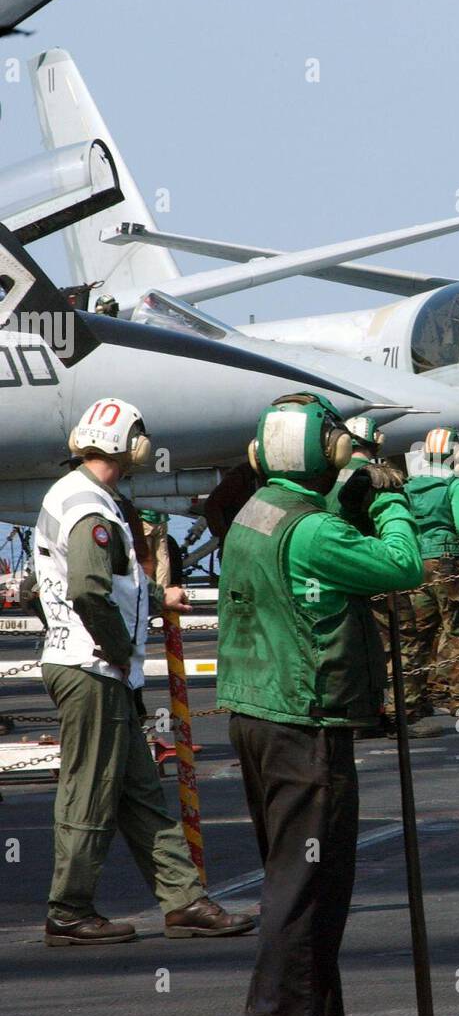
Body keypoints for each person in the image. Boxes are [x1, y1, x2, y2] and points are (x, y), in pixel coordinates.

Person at [216, 392, 423, 1016]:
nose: (345, 446)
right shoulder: (313, 532)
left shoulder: (259, 511)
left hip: (259, 717)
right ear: (319, 448)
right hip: (304, 723)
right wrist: (390, 499)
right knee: (304, 887)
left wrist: (344, 497)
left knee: (310, 882)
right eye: (336, 437)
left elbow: (312, 555)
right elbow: (401, 566)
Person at [35, 398, 254, 947]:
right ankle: (68, 910)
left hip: (97, 667)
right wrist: (113, 647)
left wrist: (159, 595)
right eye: (140, 435)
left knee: (138, 792)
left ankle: (183, 902)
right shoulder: (90, 506)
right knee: (90, 792)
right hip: (92, 668)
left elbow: (101, 583)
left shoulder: (86, 496)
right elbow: (87, 588)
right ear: (126, 444)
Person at [402, 427, 459, 721]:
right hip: (449, 563)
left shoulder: (410, 486)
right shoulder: (456, 485)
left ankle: (419, 696)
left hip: (417, 563)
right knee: (458, 629)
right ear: (455, 453)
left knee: (421, 632)